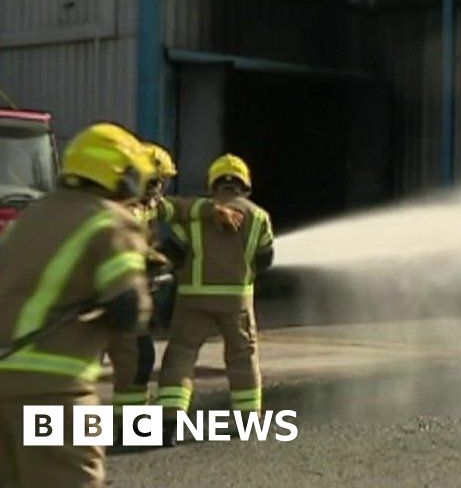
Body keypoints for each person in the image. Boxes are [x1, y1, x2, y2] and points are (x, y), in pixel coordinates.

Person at [0, 123, 156, 487]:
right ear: (124, 176)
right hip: (54, 393)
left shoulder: (31, 217)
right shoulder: (111, 220)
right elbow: (129, 311)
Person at [155, 154, 273, 446]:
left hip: (192, 301)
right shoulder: (258, 217)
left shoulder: (197, 217)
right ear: (245, 186)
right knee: (243, 357)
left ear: (213, 185)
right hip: (236, 302)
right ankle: (248, 421)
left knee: (181, 354)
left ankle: (171, 420)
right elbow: (265, 259)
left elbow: (173, 252)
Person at [106, 143, 178, 422]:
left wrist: (215, 209)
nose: (163, 188)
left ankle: (128, 421)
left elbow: (181, 208)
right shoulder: (127, 210)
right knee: (135, 358)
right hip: (114, 299)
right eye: (162, 181)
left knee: (136, 360)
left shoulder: (145, 206)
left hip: (124, 297)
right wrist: (152, 257)